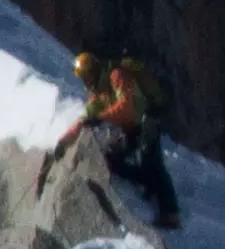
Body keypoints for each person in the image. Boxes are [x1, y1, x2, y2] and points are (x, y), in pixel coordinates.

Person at [53, 52, 181, 229]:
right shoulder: (97, 93)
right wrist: (63, 143)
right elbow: (84, 120)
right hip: (130, 127)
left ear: (94, 70)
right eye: (82, 77)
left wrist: (101, 117)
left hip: (147, 118)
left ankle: (171, 213)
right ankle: (148, 182)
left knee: (151, 158)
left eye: (86, 75)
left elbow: (126, 105)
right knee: (111, 159)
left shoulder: (116, 75)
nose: (85, 80)